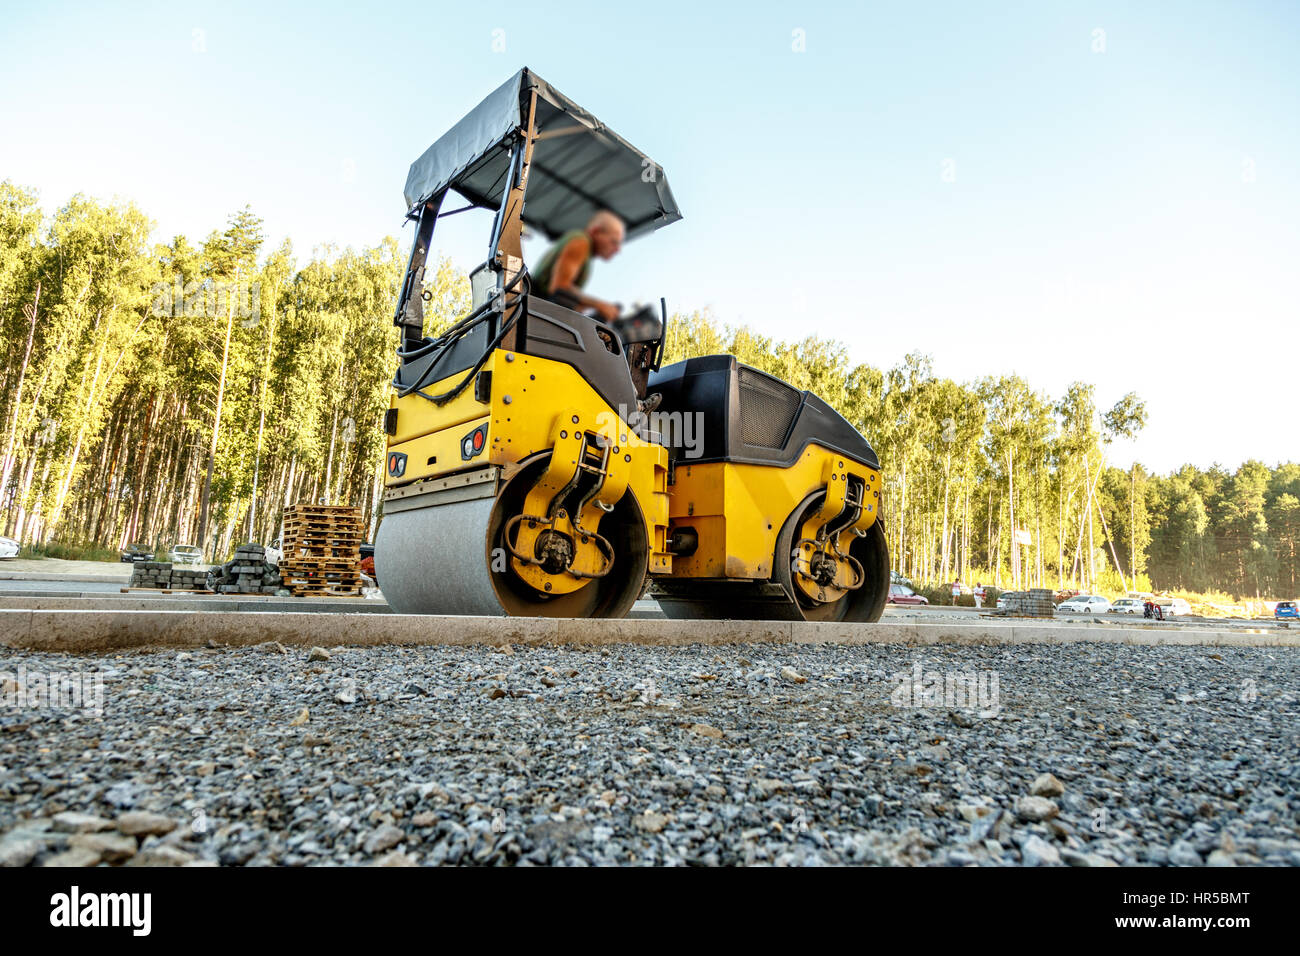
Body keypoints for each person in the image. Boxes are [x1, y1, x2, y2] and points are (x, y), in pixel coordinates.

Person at [533, 210, 625, 320]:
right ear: (595, 231)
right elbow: (559, 288)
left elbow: (568, 299)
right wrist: (601, 305)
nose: (618, 250)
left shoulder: (584, 249)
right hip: (536, 310)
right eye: (614, 242)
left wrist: (591, 306)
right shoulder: (582, 242)